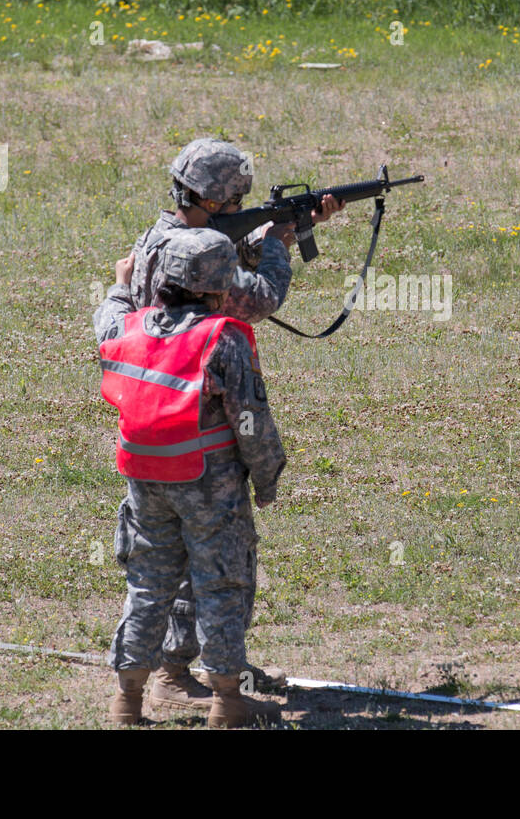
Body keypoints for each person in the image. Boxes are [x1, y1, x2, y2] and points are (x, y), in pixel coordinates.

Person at [125, 138, 343, 713]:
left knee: (162, 569)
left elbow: (205, 270)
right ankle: (215, 681)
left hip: (154, 428)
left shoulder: (154, 241)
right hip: (210, 433)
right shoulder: (211, 286)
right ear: (221, 200)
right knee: (221, 568)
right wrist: (275, 245)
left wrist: (285, 229)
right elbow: (259, 296)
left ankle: (171, 674)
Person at [95, 227, 286, 728]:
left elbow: (106, 321)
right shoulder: (223, 338)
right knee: (221, 583)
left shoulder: (129, 326)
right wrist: (267, 477)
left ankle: (127, 702)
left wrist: (119, 284)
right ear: (220, 287)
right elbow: (251, 420)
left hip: (144, 483)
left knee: (147, 586)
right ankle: (227, 703)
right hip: (210, 488)